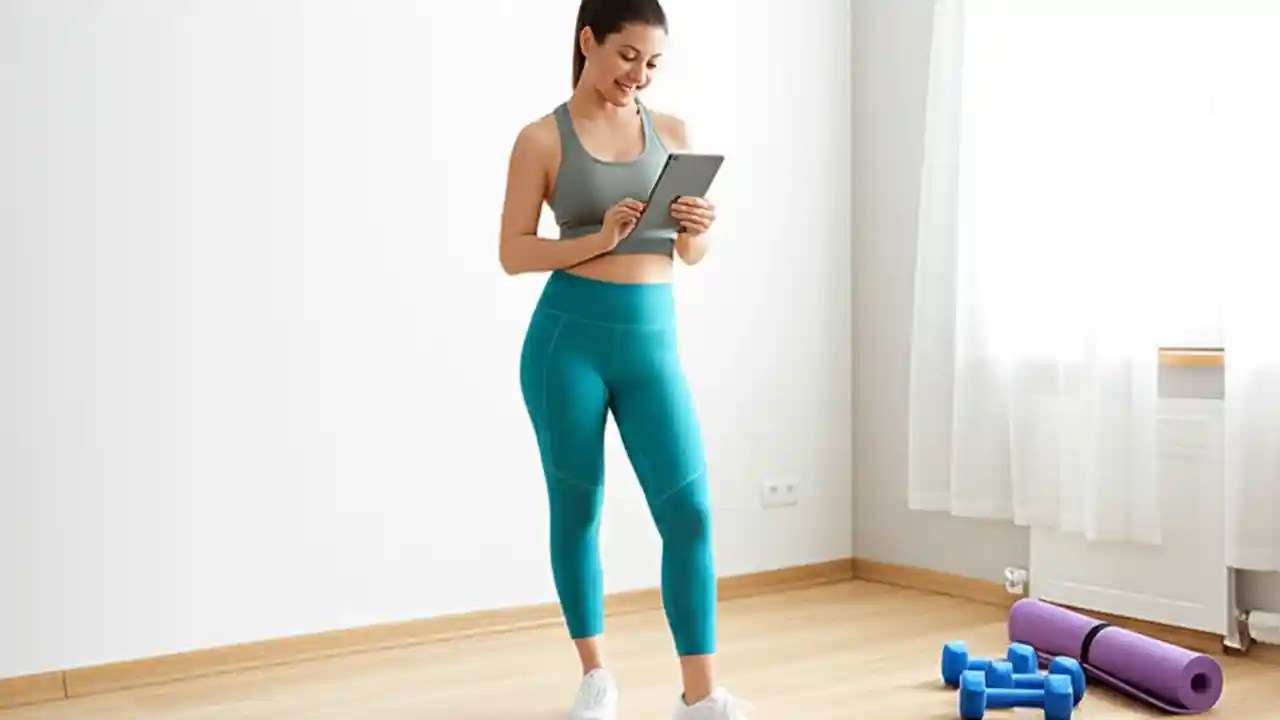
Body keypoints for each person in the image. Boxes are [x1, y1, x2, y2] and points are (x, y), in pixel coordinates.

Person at [498, 1, 751, 718]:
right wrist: (597, 239)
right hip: (566, 347)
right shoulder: (540, 140)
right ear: (589, 41)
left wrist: (700, 228)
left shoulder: (672, 133)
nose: (638, 75)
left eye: (653, 63)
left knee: (690, 513)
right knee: (579, 510)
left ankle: (700, 697)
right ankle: (595, 678)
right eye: (627, 56)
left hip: (651, 350)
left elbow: (689, 254)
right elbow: (513, 252)